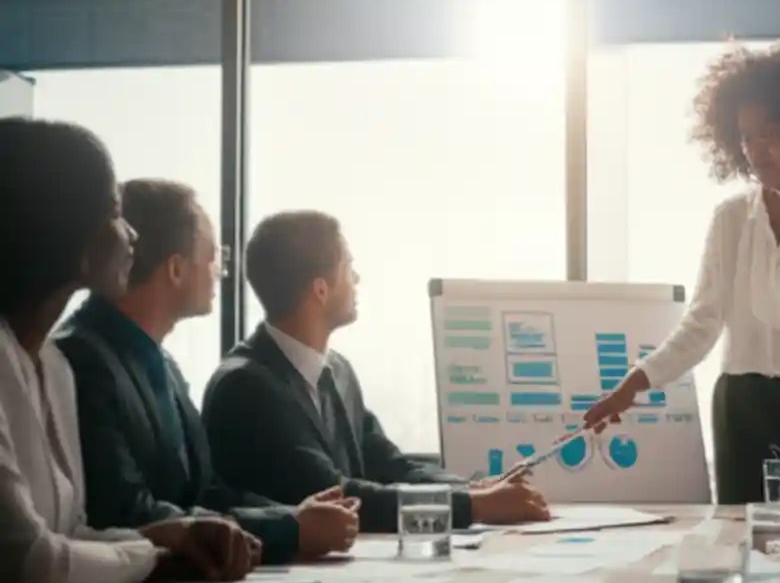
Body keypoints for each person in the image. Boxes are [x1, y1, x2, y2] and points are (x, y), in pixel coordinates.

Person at [583, 37, 780, 503]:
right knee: (742, 547)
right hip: (741, 411)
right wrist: (634, 384)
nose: (755, 149)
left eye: (770, 132)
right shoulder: (730, 219)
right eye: (745, 135)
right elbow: (702, 323)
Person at [0, 118, 257, 583]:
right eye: (115, 214)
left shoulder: (52, 366)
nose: (131, 235)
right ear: (64, 224)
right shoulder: (76, 356)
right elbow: (31, 564)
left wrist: (171, 535)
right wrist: (156, 552)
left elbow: (70, 531)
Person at [56, 179, 359, 564]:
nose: (220, 271)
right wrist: (289, 530)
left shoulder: (162, 365)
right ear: (176, 269)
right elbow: (127, 514)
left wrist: (291, 516)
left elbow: (206, 494)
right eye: (214, 255)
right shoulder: (83, 361)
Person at [202, 210, 550, 532]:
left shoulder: (336, 370)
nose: (356, 278)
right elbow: (336, 493)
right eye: (348, 267)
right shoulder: (245, 386)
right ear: (320, 289)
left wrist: (471, 488)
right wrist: (472, 506)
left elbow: (390, 466)